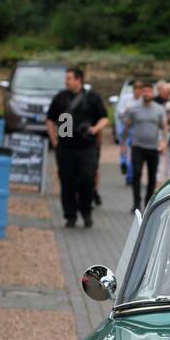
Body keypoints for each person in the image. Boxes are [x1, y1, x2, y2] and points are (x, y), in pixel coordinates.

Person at [46, 66, 108, 228]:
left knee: (88, 178)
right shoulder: (60, 98)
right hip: (65, 148)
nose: (66, 82)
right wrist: (54, 141)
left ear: (78, 80)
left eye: (69, 78)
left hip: (87, 147)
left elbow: (104, 118)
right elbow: (50, 119)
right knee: (67, 182)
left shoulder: (92, 98)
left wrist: (95, 129)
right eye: (66, 79)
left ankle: (86, 211)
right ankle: (70, 215)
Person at [124, 82, 166, 212]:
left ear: (153, 93)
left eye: (149, 91)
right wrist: (122, 144)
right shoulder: (134, 109)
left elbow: (164, 127)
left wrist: (164, 142)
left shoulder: (159, 109)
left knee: (152, 176)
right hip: (137, 146)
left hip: (153, 147)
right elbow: (127, 126)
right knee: (136, 173)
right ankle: (136, 203)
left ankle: (148, 202)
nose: (147, 94)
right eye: (144, 91)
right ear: (141, 93)